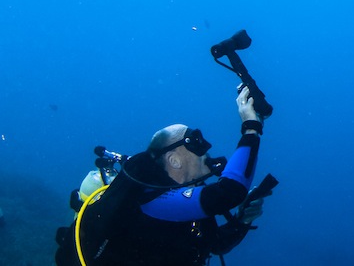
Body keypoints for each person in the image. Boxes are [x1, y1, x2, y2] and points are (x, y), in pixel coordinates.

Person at [56, 87, 269, 266]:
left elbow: (214, 244)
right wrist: (251, 127)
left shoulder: (184, 203)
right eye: (194, 141)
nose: (206, 147)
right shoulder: (151, 199)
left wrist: (243, 220)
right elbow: (230, 192)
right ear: (174, 160)